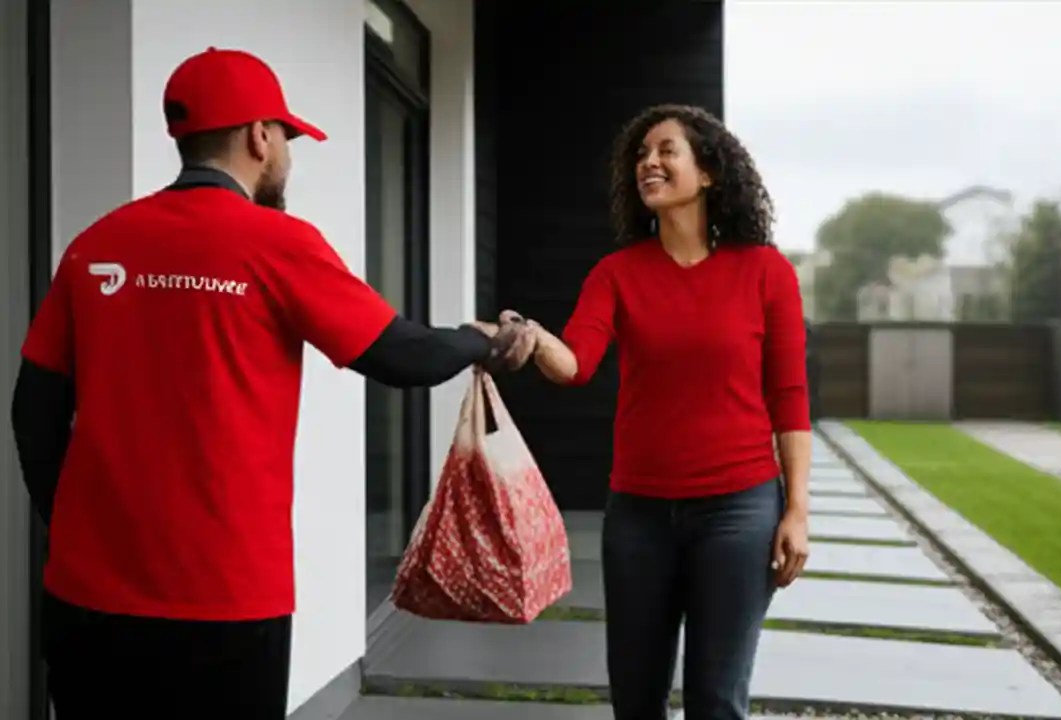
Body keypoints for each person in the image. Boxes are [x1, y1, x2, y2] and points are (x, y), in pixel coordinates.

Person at [9, 47, 532, 720]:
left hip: (86, 598)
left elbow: (33, 410)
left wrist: (79, 529)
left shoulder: (96, 244)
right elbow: (401, 355)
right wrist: (481, 338)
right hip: (226, 602)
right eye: (285, 136)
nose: (286, 153)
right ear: (259, 136)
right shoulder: (276, 242)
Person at [515, 104, 812, 720]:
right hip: (639, 517)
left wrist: (798, 511)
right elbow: (576, 365)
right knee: (636, 695)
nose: (649, 162)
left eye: (667, 150)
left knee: (715, 698)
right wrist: (530, 337)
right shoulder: (617, 274)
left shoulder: (766, 272)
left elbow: (789, 398)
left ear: (708, 173)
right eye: (641, 155)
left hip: (740, 510)